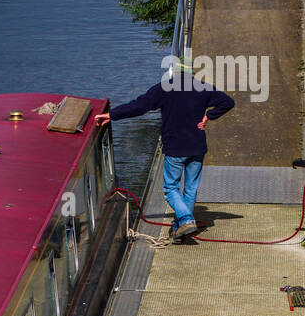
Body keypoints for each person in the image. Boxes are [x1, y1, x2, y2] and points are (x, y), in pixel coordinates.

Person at [96, 60, 235, 241]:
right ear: (191, 73)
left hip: (175, 148)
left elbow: (139, 106)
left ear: (173, 73)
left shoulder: (164, 88)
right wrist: (209, 116)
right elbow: (228, 102)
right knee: (190, 189)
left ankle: (186, 220)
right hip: (197, 148)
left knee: (170, 189)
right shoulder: (203, 88)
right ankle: (180, 228)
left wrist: (112, 114)